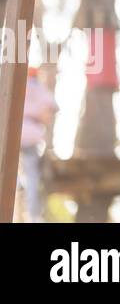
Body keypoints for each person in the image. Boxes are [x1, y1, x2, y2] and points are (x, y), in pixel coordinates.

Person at [19, 64, 56, 222]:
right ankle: (33, 217)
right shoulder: (40, 89)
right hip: (31, 135)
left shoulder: (17, 86)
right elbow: (49, 110)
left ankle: (19, 189)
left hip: (13, 132)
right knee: (32, 177)